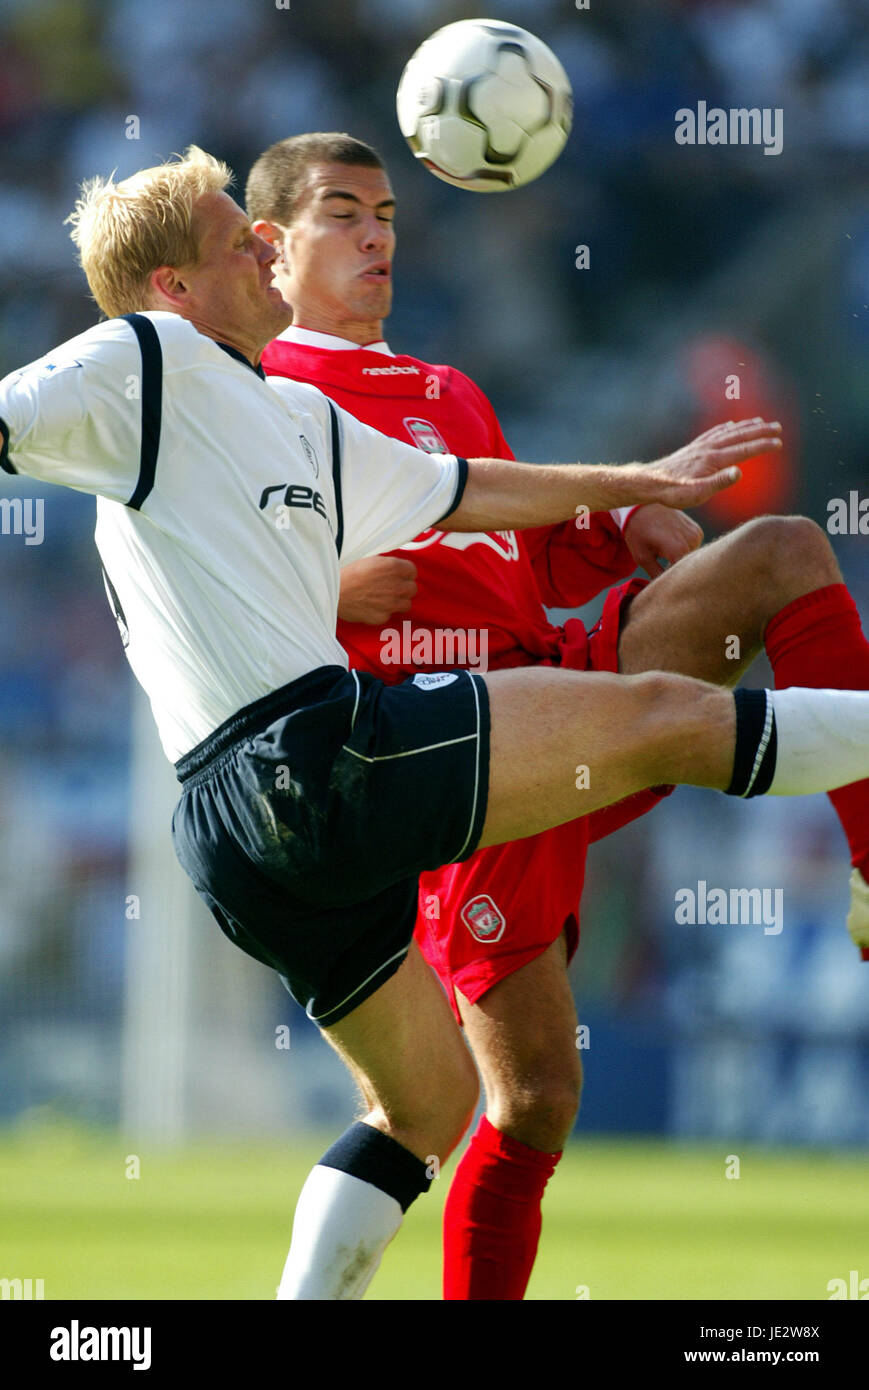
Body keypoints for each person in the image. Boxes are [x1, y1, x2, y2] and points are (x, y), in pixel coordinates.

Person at [1, 147, 866, 1304]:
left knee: (425, 1109)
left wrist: (634, 497)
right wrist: (328, 590)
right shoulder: (149, 358)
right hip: (350, 751)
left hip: (324, 787)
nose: (363, 238)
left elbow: (473, 502)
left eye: (386, 214)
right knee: (660, 748)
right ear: (185, 280)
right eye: (275, 231)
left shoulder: (304, 409)